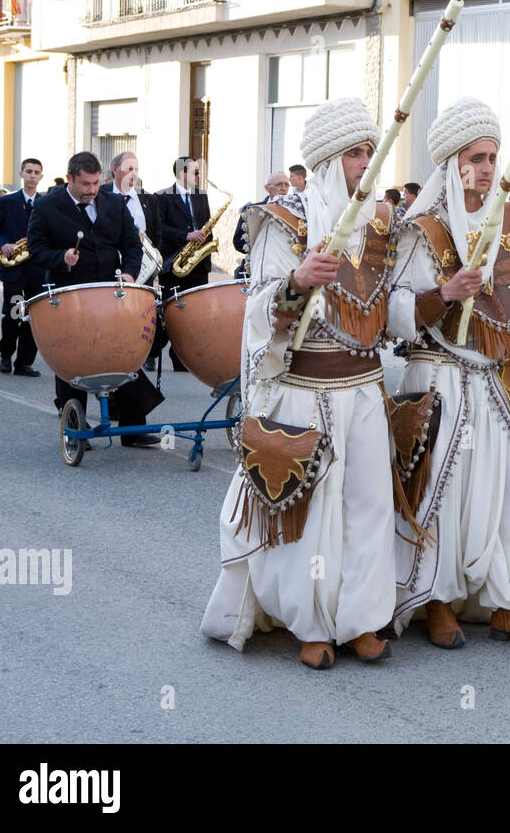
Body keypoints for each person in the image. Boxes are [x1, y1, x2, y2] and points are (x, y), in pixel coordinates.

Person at [201, 98, 398, 670]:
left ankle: (360, 620)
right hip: (304, 391)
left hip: (364, 389)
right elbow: (257, 310)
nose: (366, 162)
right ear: (329, 160)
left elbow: (392, 306)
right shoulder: (281, 219)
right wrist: (296, 280)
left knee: (368, 507)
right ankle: (311, 625)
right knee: (309, 514)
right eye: (355, 153)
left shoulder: (382, 222)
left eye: (369, 150)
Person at [389, 96, 510, 649]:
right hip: (440, 375)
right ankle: (439, 604)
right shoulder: (422, 230)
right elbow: (399, 313)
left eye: (493, 156)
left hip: (497, 378)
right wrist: (444, 293)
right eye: (476, 158)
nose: (488, 168)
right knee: (449, 490)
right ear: (451, 165)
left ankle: (509, 602)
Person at [25, 152, 162, 446]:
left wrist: (129, 272)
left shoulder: (114, 202)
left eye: (96, 183)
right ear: (71, 178)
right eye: (85, 184)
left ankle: (133, 429)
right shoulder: (48, 205)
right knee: (73, 358)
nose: (91, 190)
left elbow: (132, 244)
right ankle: (75, 428)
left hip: (111, 291)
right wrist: (60, 257)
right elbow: (36, 250)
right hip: (69, 294)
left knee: (122, 352)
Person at [0, 158, 46, 374]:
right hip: (14, 270)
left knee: (33, 318)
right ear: (21, 174)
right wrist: (2, 244)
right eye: (28, 171)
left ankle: (24, 362)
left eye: (36, 172)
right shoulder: (6, 202)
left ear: (41, 176)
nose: (32, 176)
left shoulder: (46, 203)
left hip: (37, 270)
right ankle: (6, 356)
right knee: (13, 314)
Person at [157, 156, 212, 369]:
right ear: (182, 174)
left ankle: (182, 356)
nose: (199, 176)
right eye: (195, 172)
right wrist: (186, 236)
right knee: (171, 310)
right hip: (174, 263)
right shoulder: (162, 197)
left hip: (197, 264)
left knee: (194, 313)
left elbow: (207, 226)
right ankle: (155, 351)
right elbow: (159, 229)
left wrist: (206, 252)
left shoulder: (201, 196)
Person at [231, 172, 289, 278]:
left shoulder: (292, 212)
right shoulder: (253, 210)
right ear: (267, 188)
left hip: (283, 269)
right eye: (279, 184)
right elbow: (238, 241)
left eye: (286, 184)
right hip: (255, 269)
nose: (284, 188)